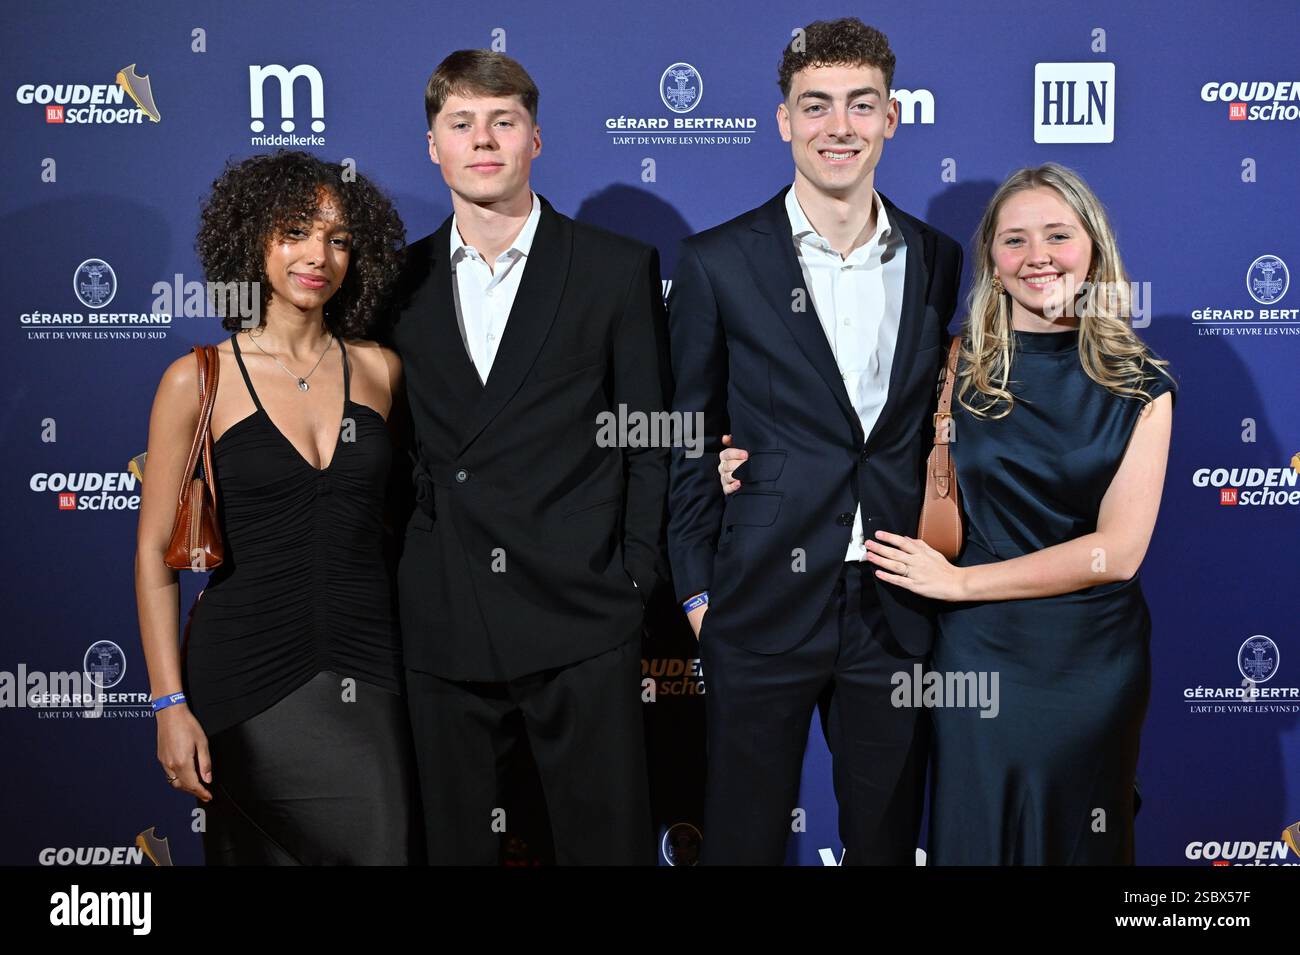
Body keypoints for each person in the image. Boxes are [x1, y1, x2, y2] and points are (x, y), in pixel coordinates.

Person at [720, 162, 1176, 864]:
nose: (1038, 258)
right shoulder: (951, 365)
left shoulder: (1139, 383)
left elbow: (1116, 552)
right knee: (977, 834)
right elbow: (847, 441)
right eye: (1014, 239)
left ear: (1093, 246)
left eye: (1058, 235)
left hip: (1091, 660)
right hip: (976, 657)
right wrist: (739, 467)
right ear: (990, 256)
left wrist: (962, 583)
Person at [666, 18, 962, 865]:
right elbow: (686, 433)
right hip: (759, 599)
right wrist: (697, 595)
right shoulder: (717, 261)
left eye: (861, 105)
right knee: (744, 841)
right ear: (784, 119)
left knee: (887, 839)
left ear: (892, 117)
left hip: (897, 601)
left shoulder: (936, 257)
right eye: (818, 105)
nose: (841, 126)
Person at [382, 50, 670, 865]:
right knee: (456, 849)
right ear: (431, 145)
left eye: (503, 122)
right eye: (462, 124)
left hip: (581, 612)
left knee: (603, 846)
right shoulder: (394, 283)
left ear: (535, 139)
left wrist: (633, 577)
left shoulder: (614, 269)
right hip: (444, 617)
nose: (484, 141)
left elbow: (649, 436)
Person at [134, 150, 418, 864]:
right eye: (295, 231)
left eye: (339, 238)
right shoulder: (196, 380)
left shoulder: (382, 369)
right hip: (243, 678)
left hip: (370, 666)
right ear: (251, 238)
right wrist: (170, 706)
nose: (318, 255)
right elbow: (153, 558)